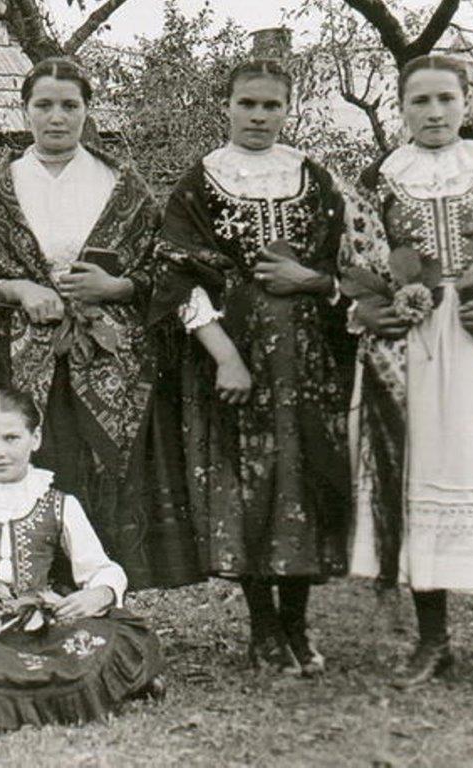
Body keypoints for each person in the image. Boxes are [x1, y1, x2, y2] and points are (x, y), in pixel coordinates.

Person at [149, 60, 370, 676]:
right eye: (247, 103)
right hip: (235, 357)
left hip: (308, 361)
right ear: (226, 105)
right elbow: (176, 276)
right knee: (244, 484)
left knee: (301, 478)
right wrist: (225, 357)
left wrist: (311, 280)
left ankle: (296, 623)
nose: (258, 116)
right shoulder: (199, 184)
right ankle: (261, 626)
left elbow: (354, 266)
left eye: (272, 105)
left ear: (288, 109)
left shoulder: (316, 180)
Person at [0, 56, 200, 590]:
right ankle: (42, 607)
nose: (57, 117)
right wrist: (18, 289)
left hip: (114, 366)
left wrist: (117, 288)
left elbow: (167, 265)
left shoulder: (123, 186)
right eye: (43, 105)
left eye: (70, 105)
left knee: (111, 482)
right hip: (25, 365)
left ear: (88, 111)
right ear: (25, 112)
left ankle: (109, 612)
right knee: (44, 476)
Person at [346, 55, 473, 697]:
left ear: (466, 102)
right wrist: (381, 309)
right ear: (400, 107)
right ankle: (434, 641)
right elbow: (351, 267)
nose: (433, 114)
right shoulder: (376, 182)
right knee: (416, 480)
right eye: (419, 101)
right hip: (409, 355)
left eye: (445, 100)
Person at [0, 388, 164, 730]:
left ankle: (40, 695)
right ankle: (69, 696)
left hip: (41, 628)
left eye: (12, 438)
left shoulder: (58, 502)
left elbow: (101, 568)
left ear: (35, 438)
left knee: (118, 637)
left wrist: (99, 593)